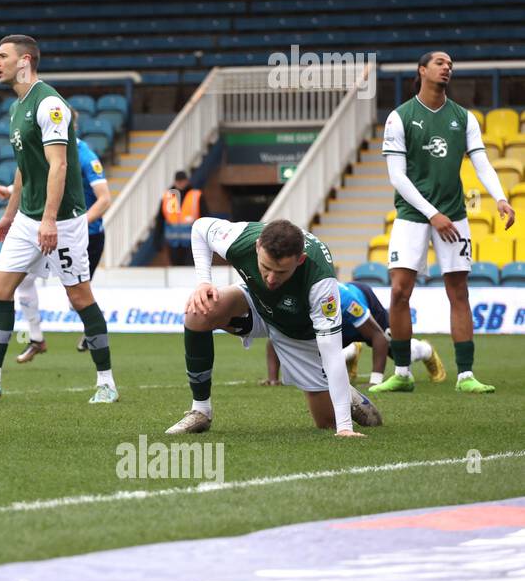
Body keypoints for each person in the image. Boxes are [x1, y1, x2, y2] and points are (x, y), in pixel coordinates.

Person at [0, 35, 118, 403]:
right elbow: (25, 168)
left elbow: (59, 164)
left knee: (80, 297)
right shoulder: (17, 107)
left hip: (64, 221)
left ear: (24, 61)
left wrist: (50, 220)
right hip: (27, 219)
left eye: (2, 56)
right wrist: (10, 215)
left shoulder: (50, 104)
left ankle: (107, 382)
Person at [372, 51, 514, 395]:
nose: (447, 67)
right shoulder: (399, 117)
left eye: (450, 63)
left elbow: (481, 164)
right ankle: (403, 372)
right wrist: (431, 213)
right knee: (400, 292)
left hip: (454, 216)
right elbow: (397, 177)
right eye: (439, 62)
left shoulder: (463, 117)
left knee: (459, 292)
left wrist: (499, 197)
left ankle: (466, 375)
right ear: (422, 71)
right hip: (412, 217)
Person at [167, 217, 380, 437]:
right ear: (258, 246)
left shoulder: (320, 280)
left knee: (326, 422)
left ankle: (346, 393)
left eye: (281, 272)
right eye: (265, 267)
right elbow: (200, 227)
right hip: (257, 303)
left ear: (300, 260)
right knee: (198, 312)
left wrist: (345, 427)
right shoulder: (240, 238)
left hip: (298, 332)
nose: (270, 278)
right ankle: (201, 410)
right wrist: (204, 281)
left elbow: (332, 352)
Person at [1, 110, 113, 362]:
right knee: (23, 282)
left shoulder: (85, 157)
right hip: (45, 228)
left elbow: (105, 198)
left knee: (77, 297)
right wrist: (11, 191)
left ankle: (95, 325)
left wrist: (80, 222)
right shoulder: (47, 151)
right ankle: (36, 338)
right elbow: (36, 180)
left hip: (83, 234)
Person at [263, 280, 444, 388]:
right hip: (337, 327)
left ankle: (425, 350)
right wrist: (273, 379)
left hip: (366, 307)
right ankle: (350, 353)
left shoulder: (345, 300)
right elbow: (278, 336)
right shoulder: (294, 303)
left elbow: (377, 336)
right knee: (316, 359)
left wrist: (375, 381)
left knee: (397, 353)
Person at [154, 170, 207, 265]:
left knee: (190, 269)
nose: (181, 184)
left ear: (187, 181)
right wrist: (157, 240)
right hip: (172, 242)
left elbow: (206, 218)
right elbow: (160, 220)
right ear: (175, 182)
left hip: (192, 242)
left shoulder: (196, 195)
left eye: (183, 181)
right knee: (176, 271)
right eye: (179, 181)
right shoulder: (167, 197)